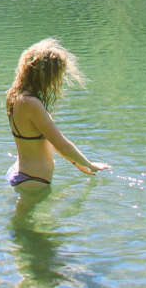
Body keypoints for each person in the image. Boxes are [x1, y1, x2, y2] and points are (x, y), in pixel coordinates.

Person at [6, 38, 110, 190]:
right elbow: (62, 144)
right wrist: (90, 165)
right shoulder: (32, 104)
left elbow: (48, 141)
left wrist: (76, 162)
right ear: (47, 76)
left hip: (20, 172)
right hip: (34, 179)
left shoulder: (13, 96)